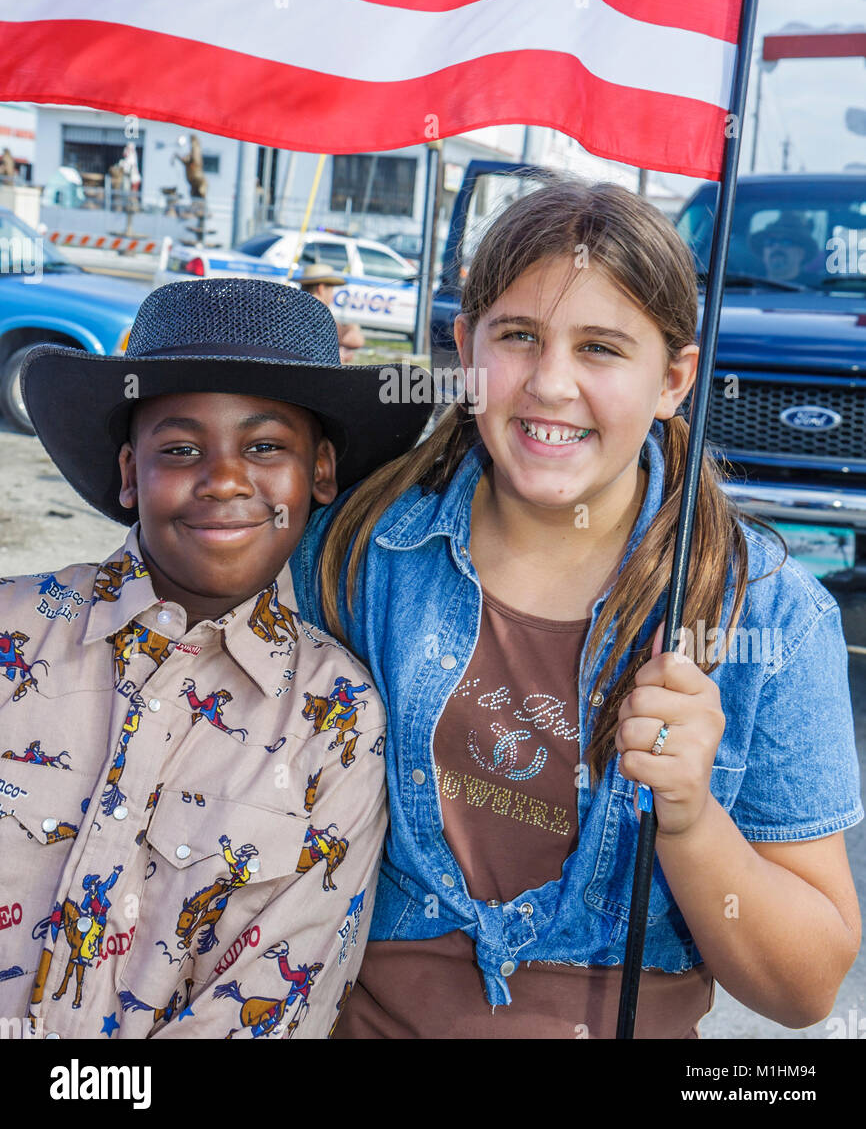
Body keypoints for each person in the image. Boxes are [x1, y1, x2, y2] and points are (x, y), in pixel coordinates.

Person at [290, 178, 863, 1039]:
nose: (552, 385)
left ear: (675, 378)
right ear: (466, 348)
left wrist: (693, 819)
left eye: (601, 348)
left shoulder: (770, 620)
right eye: (519, 337)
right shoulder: (359, 548)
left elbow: (806, 987)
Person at [0, 278, 432, 1039]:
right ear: (131, 473)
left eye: (265, 447)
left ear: (320, 473)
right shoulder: (12, 635)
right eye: (179, 448)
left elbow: (278, 999)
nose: (226, 477)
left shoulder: (336, 722)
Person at [298, 263, 365, 363]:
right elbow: (356, 340)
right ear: (320, 288)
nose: (332, 297)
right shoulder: (319, 314)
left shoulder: (295, 310)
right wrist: (352, 327)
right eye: (331, 290)